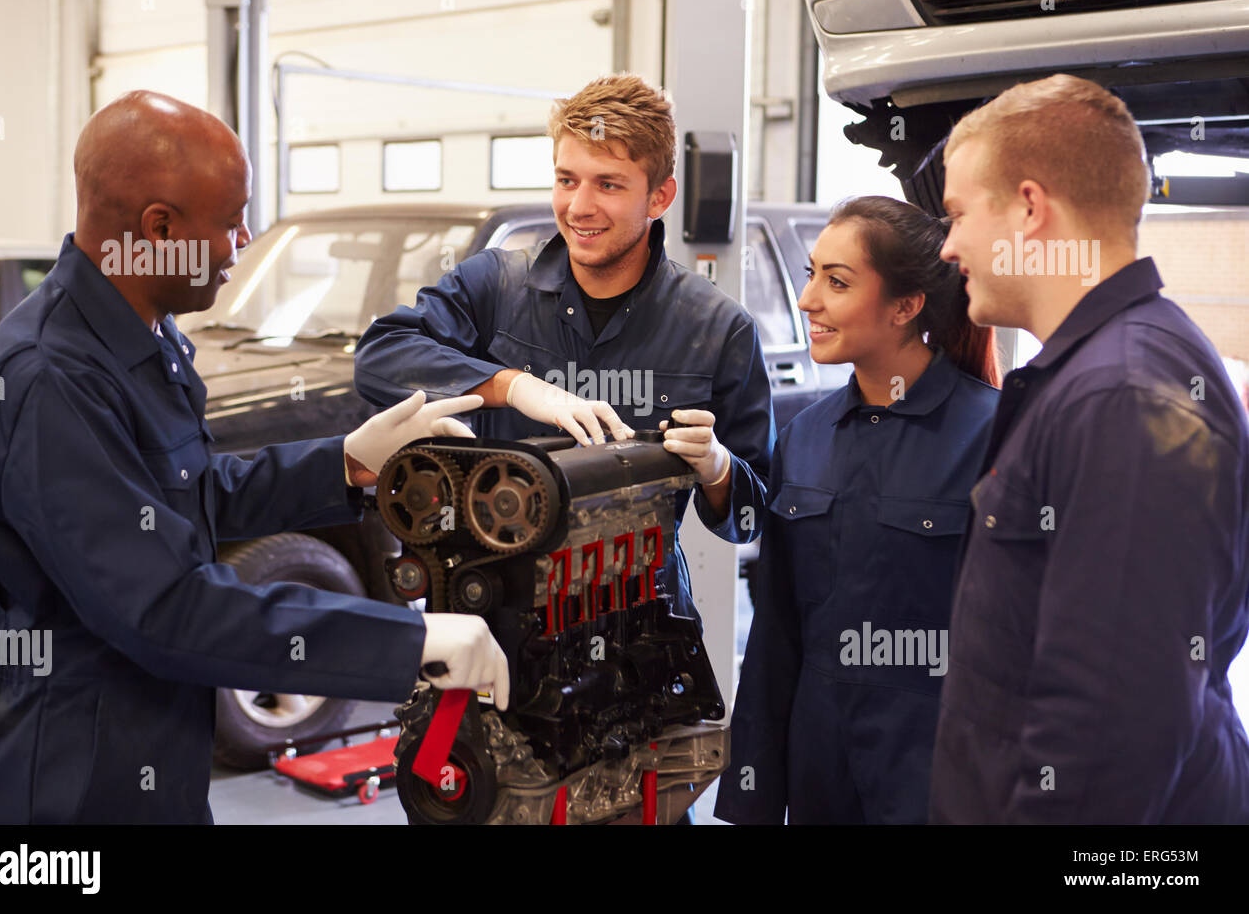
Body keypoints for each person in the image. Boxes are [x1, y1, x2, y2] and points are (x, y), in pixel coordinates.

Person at [0, 91, 508, 824]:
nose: (243, 240)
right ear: (160, 228)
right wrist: (409, 639)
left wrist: (344, 463)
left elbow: (184, 498)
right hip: (62, 769)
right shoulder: (52, 378)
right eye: (231, 220)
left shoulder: (142, 334)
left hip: (151, 739)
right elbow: (165, 608)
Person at [931, 73, 1249, 822]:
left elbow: (1109, 732)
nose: (946, 246)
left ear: (1029, 208)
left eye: (957, 215)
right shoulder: (1103, 371)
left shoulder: (1121, 398)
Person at [353, 73, 774, 627]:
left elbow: (750, 516)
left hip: (639, 621)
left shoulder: (719, 327)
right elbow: (380, 353)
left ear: (660, 196)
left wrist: (719, 468)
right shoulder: (494, 286)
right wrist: (513, 385)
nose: (579, 206)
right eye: (567, 179)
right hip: (491, 612)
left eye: (608, 184)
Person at [714, 196, 999, 824]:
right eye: (812, 273)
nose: (808, 298)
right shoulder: (806, 438)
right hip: (822, 772)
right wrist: (755, 794)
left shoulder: (997, 436)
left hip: (941, 773)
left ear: (905, 306)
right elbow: (776, 632)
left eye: (836, 281)